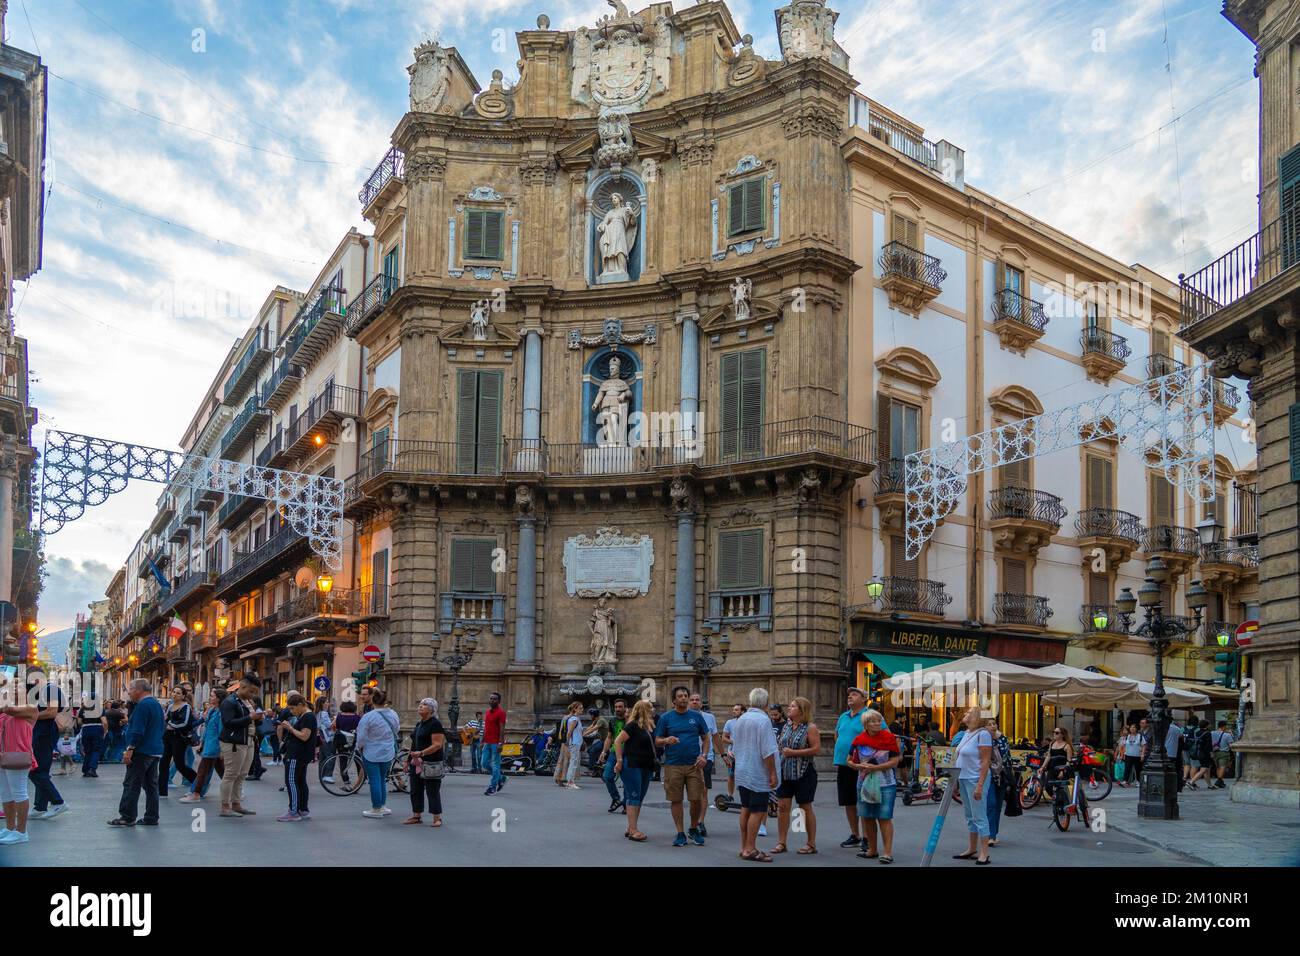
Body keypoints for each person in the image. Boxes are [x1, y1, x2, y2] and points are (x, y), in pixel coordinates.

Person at [654, 685, 711, 847]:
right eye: (680, 696)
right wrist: (666, 740)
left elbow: (706, 738)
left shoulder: (696, 716)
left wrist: (704, 756)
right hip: (673, 765)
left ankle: (693, 828)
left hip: (694, 764)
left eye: (686, 695)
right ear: (673, 700)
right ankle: (680, 833)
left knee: (696, 799)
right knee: (676, 800)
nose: (684, 698)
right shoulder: (666, 718)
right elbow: (657, 741)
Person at [108, 678, 165, 828]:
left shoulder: (143, 706)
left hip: (141, 751)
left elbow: (138, 731)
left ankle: (127, 816)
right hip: (155, 750)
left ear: (139, 690)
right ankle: (151, 816)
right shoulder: (156, 705)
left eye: (131, 690)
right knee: (151, 785)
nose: (129, 693)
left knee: (132, 783)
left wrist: (130, 749)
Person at [732, 687, 780, 862]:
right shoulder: (763, 720)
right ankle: (750, 848)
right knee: (758, 810)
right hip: (758, 771)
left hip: (743, 769)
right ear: (766, 703)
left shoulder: (742, 718)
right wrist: (772, 773)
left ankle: (744, 846)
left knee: (746, 807)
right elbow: (767, 751)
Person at [848, 708, 900, 863]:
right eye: (873, 721)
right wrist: (856, 766)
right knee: (868, 817)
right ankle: (872, 849)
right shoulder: (859, 740)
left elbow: (895, 761)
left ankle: (887, 852)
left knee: (884, 818)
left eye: (879, 720)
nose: (877, 723)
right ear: (866, 724)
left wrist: (876, 768)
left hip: (885, 783)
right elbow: (849, 759)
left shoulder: (889, 738)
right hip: (864, 782)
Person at [774, 696, 820, 855]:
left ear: (801, 710)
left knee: (805, 807)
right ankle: (781, 842)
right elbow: (780, 746)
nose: (789, 708)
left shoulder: (810, 728)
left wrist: (794, 753)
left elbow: (816, 749)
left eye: (792, 706)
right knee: (782, 807)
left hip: (804, 772)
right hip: (785, 771)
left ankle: (811, 843)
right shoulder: (786, 726)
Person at [951, 707, 993, 864]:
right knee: (970, 816)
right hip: (964, 778)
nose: (965, 714)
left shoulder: (983, 734)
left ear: (976, 716)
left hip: (975, 778)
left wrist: (980, 785)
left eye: (969, 712)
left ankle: (985, 853)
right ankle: (972, 848)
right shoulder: (967, 734)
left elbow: (985, 761)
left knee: (979, 815)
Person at [612, 699, 656, 841]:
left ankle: (631, 827)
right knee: (634, 795)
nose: (653, 709)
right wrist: (619, 761)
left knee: (639, 797)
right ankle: (633, 830)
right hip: (632, 765)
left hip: (646, 765)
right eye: (651, 707)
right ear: (644, 710)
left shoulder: (648, 727)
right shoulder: (632, 725)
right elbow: (617, 741)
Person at [218, 675, 261, 818]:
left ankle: (236, 804)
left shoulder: (247, 701)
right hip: (234, 742)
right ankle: (225, 807)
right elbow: (228, 722)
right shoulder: (229, 702)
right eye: (252, 691)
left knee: (242, 774)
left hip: (248, 740)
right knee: (231, 774)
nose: (253, 695)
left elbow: (251, 722)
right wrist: (251, 717)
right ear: (242, 687)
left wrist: (259, 719)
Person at [27, 676, 67, 821]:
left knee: (36, 770)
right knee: (39, 770)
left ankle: (58, 802)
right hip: (41, 733)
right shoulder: (45, 691)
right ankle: (40, 807)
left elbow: (51, 712)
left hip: (45, 734)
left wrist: (30, 715)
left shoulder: (51, 689)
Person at [832, 687, 868, 849]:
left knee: (863, 801)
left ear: (863, 699)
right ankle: (855, 834)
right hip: (844, 763)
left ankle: (867, 838)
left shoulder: (869, 716)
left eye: (854, 694)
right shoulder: (843, 716)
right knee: (848, 801)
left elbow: (884, 736)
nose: (850, 697)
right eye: (849, 695)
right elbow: (836, 734)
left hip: (862, 765)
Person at [355, 688, 400, 818]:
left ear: (372, 701)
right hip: (387, 750)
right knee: (382, 779)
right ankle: (382, 805)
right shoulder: (393, 714)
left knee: (374, 780)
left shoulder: (369, 716)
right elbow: (396, 729)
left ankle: (376, 808)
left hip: (371, 751)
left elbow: (361, 736)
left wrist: (360, 747)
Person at [403, 698, 447, 827]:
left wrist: (422, 753)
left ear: (432, 709)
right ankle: (417, 815)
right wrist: (407, 761)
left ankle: (437, 817)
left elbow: (437, 744)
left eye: (425, 705)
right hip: (417, 763)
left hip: (431, 763)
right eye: (420, 704)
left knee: (432, 790)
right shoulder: (419, 724)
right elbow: (414, 744)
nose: (420, 706)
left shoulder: (435, 724)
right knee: (415, 789)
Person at [0, 700, 38, 845]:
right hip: (4, 756)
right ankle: (10, 829)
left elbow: (10, 710)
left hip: (18, 756)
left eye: (18, 687)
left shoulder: (30, 709)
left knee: (19, 793)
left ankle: (22, 832)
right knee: (5, 793)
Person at [277, 692, 317, 822]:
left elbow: (304, 736)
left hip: (297, 754)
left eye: (292, 708)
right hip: (301, 754)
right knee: (300, 781)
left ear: (300, 705)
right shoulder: (306, 716)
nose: (291, 711)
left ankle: (293, 811)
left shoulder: (307, 717)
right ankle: (303, 809)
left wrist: (290, 728)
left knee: (292, 781)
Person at [180, 688, 225, 803]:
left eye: (212, 696)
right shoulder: (211, 710)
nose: (210, 698)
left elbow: (221, 731)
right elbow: (206, 728)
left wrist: (222, 749)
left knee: (203, 769)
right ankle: (236, 790)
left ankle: (196, 793)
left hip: (214, 744)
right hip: (208, 743)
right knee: (221, 770)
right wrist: (202, 742)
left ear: (219, 699)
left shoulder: (221, 712)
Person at [689, 692, 720, 837]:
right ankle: (693, 822)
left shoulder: (709, 718)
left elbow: (715, 736)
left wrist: (724, 754)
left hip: (706, 758)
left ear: (701, 703)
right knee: (692, 793)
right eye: (692, 700)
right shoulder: (684, 717)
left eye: (697, 700)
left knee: (703, 791)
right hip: (688, 758)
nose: (695, 702)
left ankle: (700, 822)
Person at [159, 687, 197, 798]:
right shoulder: (170, 706)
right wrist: (167, 725)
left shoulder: (186, 707)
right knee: (163, 762)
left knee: (180, 764)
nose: (175, 694)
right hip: (168, 737)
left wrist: (172, 725)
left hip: (179, 738)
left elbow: (185, 723)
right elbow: (166, 719)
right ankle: (162, 791)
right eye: (174, 692)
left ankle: (198, 782)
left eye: (178, 693)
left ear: (183, 696)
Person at [984, 718, 1011, 847]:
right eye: (989, 724)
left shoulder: (1003, 739)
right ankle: (990, 835)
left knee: (998, 806)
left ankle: (993, 834)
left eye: (994, 723)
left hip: (1001, 775)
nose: (992, 726)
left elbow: (1006, 756)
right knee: (991, 804)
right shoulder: (983, 739)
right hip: (988, 775)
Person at [600, 698, 627, 812]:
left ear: (625, 708)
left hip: (627, 753)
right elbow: (609, 737)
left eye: (620, 707)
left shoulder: (630, 721)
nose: (617, 709)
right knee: (607, 776)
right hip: (613, 752)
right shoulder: (612, 721)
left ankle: (626, 804)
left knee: (627, 780)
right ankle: (616, 798)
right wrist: (603, 751)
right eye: (616, 707)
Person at [482, 693, 507, 795]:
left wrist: (501, 743)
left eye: (495, 699)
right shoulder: (487, 712)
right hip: (487, 742)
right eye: (491, 698)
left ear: (499, 701)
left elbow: (502, 729)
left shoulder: (501, 713)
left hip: (496, 743)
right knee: (484, 764)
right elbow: (486, 728)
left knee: (496, 765)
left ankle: (493, 786)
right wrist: (482, 740)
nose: (492, 700)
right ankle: (501, 778)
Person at [556, 701, 585, 789]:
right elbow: (569, 732)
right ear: (575, 709)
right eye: (580, 708)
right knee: (573, 763)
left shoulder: (574, 718)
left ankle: (570, 781)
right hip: (574, 743)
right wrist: (568, 743)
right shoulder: (574, 719)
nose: (582, 710)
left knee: (573, 762)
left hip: (575, 743)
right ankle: (570, 782)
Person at [721, 703, 744, 800]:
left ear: (742, 711)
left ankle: (745, 797)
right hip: (733, 754)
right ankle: (730, 795)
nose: (734, 711)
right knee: (731, 775)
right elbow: (723, 738)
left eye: (736, 710)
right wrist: (734, 742)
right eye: (733, 709)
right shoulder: (729, 722)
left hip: (745, 754)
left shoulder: (747, 722)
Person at [1187, 719, 1214, 790]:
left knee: (1207, 769)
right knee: (1204, 769)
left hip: (1199, 753)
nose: (1210, 725)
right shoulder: (1208, 733)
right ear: (1207, 725)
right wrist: (1211, 753)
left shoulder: (1197, 732)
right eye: (1209, 724)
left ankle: (1209, 785)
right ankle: (1191, 782)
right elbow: (1209, 745)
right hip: (1206, 754)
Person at [80, 706, 106, 778]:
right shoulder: (100, 708)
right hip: (97, 728)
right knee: (96, 750)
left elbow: (79, 721)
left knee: (87, 750)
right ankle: (92, 768)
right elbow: (104, 721)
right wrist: (105, 731)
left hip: (86, 728)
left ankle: (85, 770)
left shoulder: (83, 708)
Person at [584, 707, 608, 777]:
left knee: (592, 751)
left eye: (591, 715)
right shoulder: (596, 720)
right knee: (589, 750)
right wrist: (583, 732)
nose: (590, 716)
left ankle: (592, 769)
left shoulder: (601, 720)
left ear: (594, 715)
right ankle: (597, 766)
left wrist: (584, 734)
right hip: (602, 740)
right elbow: (590, 727)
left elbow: (594, 729)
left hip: (606, 741)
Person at [315, 697, 335, 779]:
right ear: (322, 704)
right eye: (327, 702)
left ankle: (322, 774)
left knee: (323, 756)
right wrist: (335, 720)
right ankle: (328, 775)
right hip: (326, 737)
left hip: (321, 736)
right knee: (330, 756)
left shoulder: (318, 713)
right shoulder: (324, 713)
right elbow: (329, 726)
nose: (328, 703)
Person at [1211, 721, 1234, 789]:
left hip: (1214, 752)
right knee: (1223, 767)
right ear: (1224, 726)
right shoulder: (1227, 735)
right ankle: (1218, 781)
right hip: (1224, 753)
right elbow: (1231, 745)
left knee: (1218, 767)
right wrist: (1231, 735)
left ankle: (1220, 782)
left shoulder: (1212, 733)